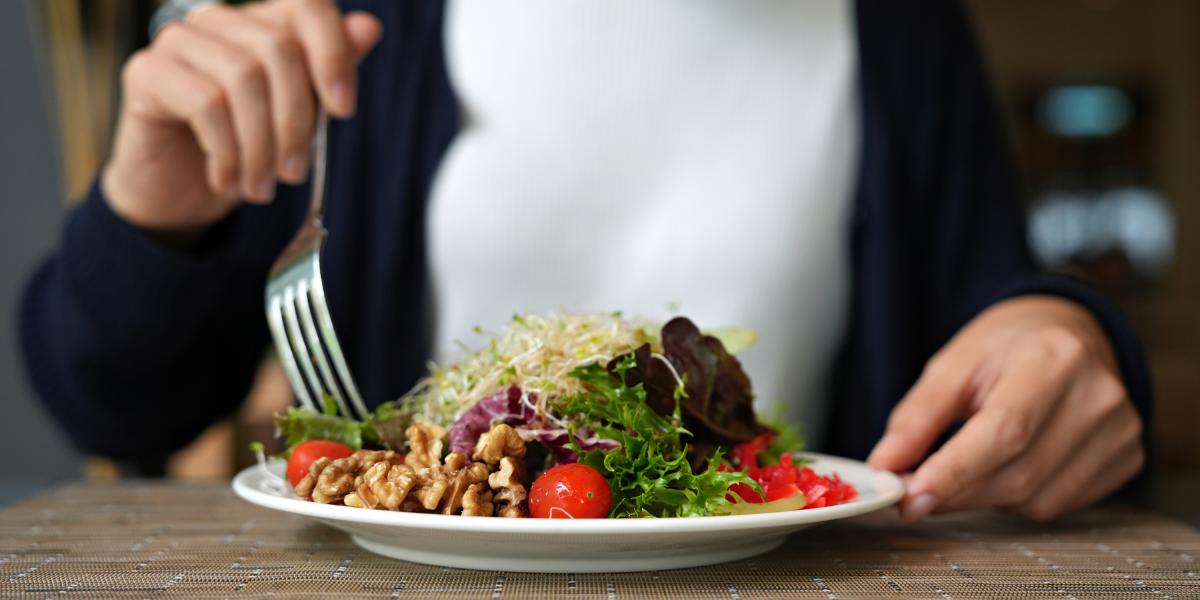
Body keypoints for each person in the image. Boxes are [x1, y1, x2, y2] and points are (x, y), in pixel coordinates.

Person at [20, 0, 1150, 523]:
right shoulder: (350, 20)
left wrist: (1067, 331)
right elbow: (111, 400)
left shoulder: (902, 30)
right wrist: (152, 214)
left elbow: (999, 316)